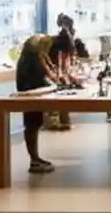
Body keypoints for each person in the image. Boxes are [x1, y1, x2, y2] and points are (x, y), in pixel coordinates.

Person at [15, 29, 78, 174]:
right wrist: (55, 78)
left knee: (35, 121)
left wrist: (58, 75)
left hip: (32, 77)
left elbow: (49, 64)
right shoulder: (42, 43)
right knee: (32, 120)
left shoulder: (47, 42)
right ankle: (34, 160)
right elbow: (43, 65)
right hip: (27, 80)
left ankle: (35, 158)